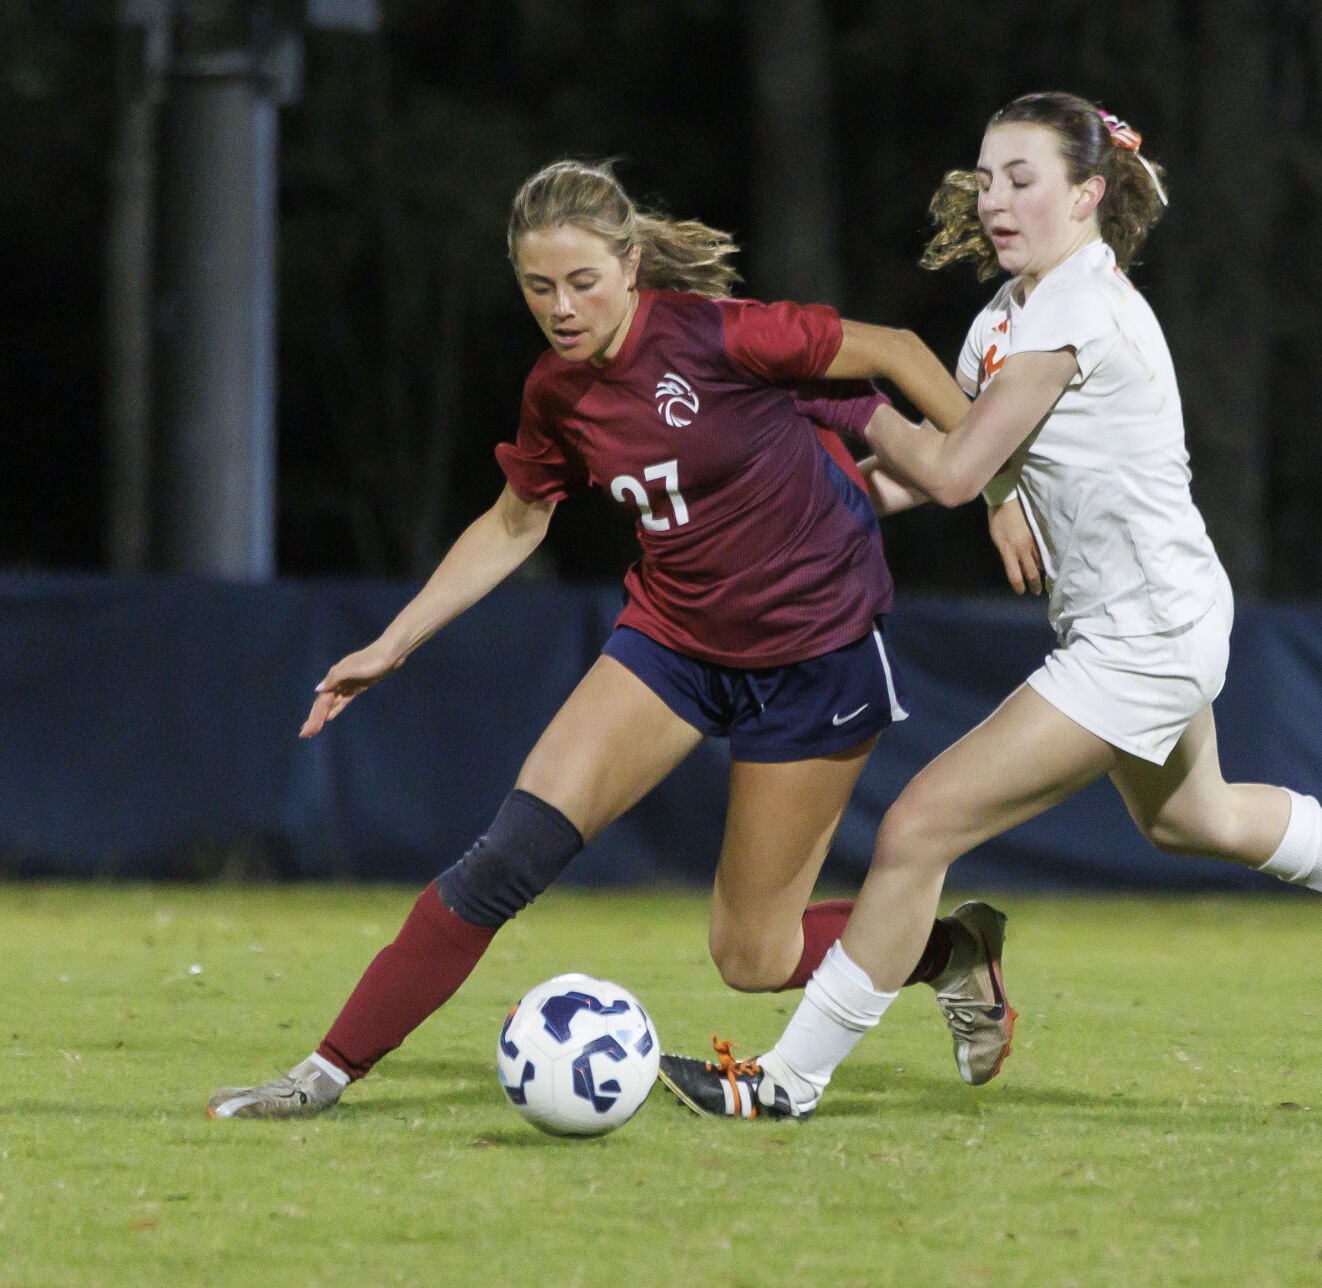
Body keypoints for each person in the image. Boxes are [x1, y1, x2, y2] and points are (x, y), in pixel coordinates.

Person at [658, 92, 1322, 1122]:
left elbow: (956, 468)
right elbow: (945, 476)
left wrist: (846, 392)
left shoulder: (1076, 306)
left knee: (918, 826)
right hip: (1156, 615)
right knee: (1199, 815)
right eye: (986, 177)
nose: (995, 198)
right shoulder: (1006, 317)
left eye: (1022, 178)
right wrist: (807, 485)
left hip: (1142, 634)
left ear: (1088, 194)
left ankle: (787, 1080)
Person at [206, 158, 1005, 1119]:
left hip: (814, 659)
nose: (562, 306)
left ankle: (948, 951)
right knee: (505, 857)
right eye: (539, 287)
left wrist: (996, 482)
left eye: (583, 281)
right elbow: (514, 522)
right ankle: (324, 1075)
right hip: (670, 642)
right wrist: (394, 642)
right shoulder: (558, 391)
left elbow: (897, 348)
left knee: (753, 957)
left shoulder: (721, 334)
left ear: (631, 266)